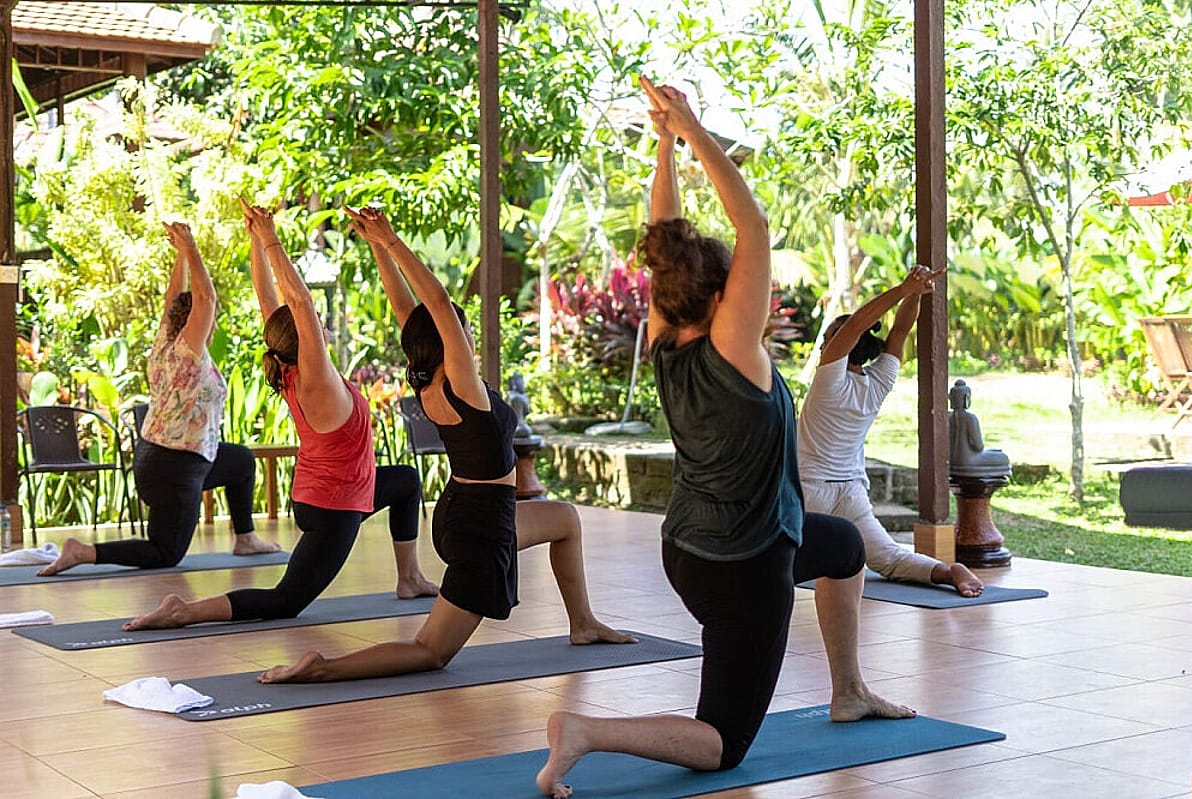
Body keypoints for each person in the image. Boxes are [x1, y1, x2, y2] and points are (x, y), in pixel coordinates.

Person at [534, 78, 914, 799]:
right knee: (722, 745)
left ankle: (849, 689)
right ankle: (584, 731)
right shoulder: (733, 351)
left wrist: (664, 144)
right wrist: (693, 129)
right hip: (743, 567)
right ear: (721, 299)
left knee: (842, 547)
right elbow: (754, 227)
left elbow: (664, 240)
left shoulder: (664, 339)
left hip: (690, 546)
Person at [254, 203, 633, 684]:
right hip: (480, 526)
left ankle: (583, 623)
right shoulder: (462, 385)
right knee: (430, 652)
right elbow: (433, 303)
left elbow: (410, 311)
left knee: (564, 519)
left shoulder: (428, 381)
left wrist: (379, 249)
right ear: (451, 340)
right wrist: (390, 240)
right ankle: (323, 667)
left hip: (468, 510)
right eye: (461, 327)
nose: (466, 332)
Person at [121, 201, 436, 631]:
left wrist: (255, 238)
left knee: (405, 482)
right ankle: (184, 610)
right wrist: (270, 239)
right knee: (285, 600)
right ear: (307, 336)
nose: (320, 321)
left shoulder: (288, 367)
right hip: (333, 508)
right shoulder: (316, 380)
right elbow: (299, 303)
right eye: (316, 321)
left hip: (333, 492)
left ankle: (410, 578)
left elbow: (269, 300)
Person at [38, 221, 278, 577]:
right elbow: (205, 299)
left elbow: (172, 298)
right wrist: (191, 248)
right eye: (210, 319)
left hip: (168, 457)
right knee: (165, 552)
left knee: (240, 461)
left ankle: (246, 538)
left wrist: (180, 255)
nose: (213, 323)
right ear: (197, 321)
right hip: (175, 467)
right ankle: (83, 552)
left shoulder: (165, 341)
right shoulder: (188, 353)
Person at [797, 273, 984, 597]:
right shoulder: (878, 382)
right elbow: (900, 331)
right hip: (852, 493)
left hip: (808, 493)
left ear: (839, 345)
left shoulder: (829, 381)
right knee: (890, 559)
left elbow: (856, 325)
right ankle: (947, 571)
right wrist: (916, 293)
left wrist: (904, 289)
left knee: (771, 551)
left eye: (828, 339)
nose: (824, 345)